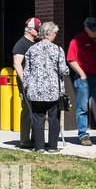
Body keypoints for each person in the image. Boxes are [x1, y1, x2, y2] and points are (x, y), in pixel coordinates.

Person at [21, 22, 68, 152]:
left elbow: (27, 71)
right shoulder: (58, 50)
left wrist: (26, 86)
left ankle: (39, 147)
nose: (55, 36)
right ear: (49, 33)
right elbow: (63, 70)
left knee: (37, 118)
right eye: (55, 33)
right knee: (53, 118)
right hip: (53, 90)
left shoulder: (32, 49)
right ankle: (53, 146)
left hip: (36, 90)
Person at [66, 17, 96, 146]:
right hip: (85, 79)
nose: (95, 32)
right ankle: (83, 135)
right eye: (93, 30)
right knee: (83, 107)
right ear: (86, 28)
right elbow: (71, 59)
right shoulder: (77, 40)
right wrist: (82, 75)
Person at [12, 18, 41, 149]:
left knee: (37, 110)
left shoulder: (37, 42)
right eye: (37, 28)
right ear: (29, 30)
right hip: (27, 83)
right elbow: (17, 64)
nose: (39, 31)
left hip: (38, 82)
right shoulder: (21, 44)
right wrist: (25, 81)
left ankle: (37, 139)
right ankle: (24, 140)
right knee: (27, 110)